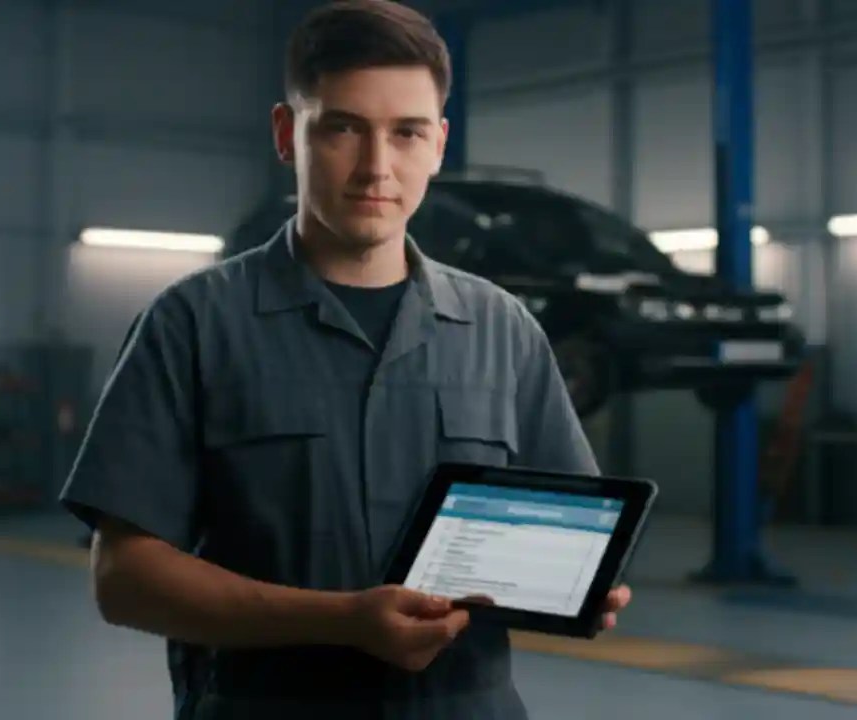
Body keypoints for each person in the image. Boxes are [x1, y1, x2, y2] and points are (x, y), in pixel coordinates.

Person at [59, 1, 631, 717]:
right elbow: (124, 579)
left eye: (406, 133)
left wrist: (577, 587)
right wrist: (338, 620)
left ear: (439, 143)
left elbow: (560, 526)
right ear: (285, 134)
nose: (376, 168)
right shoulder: (192, 325)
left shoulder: (502, 328)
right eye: (342, 128)